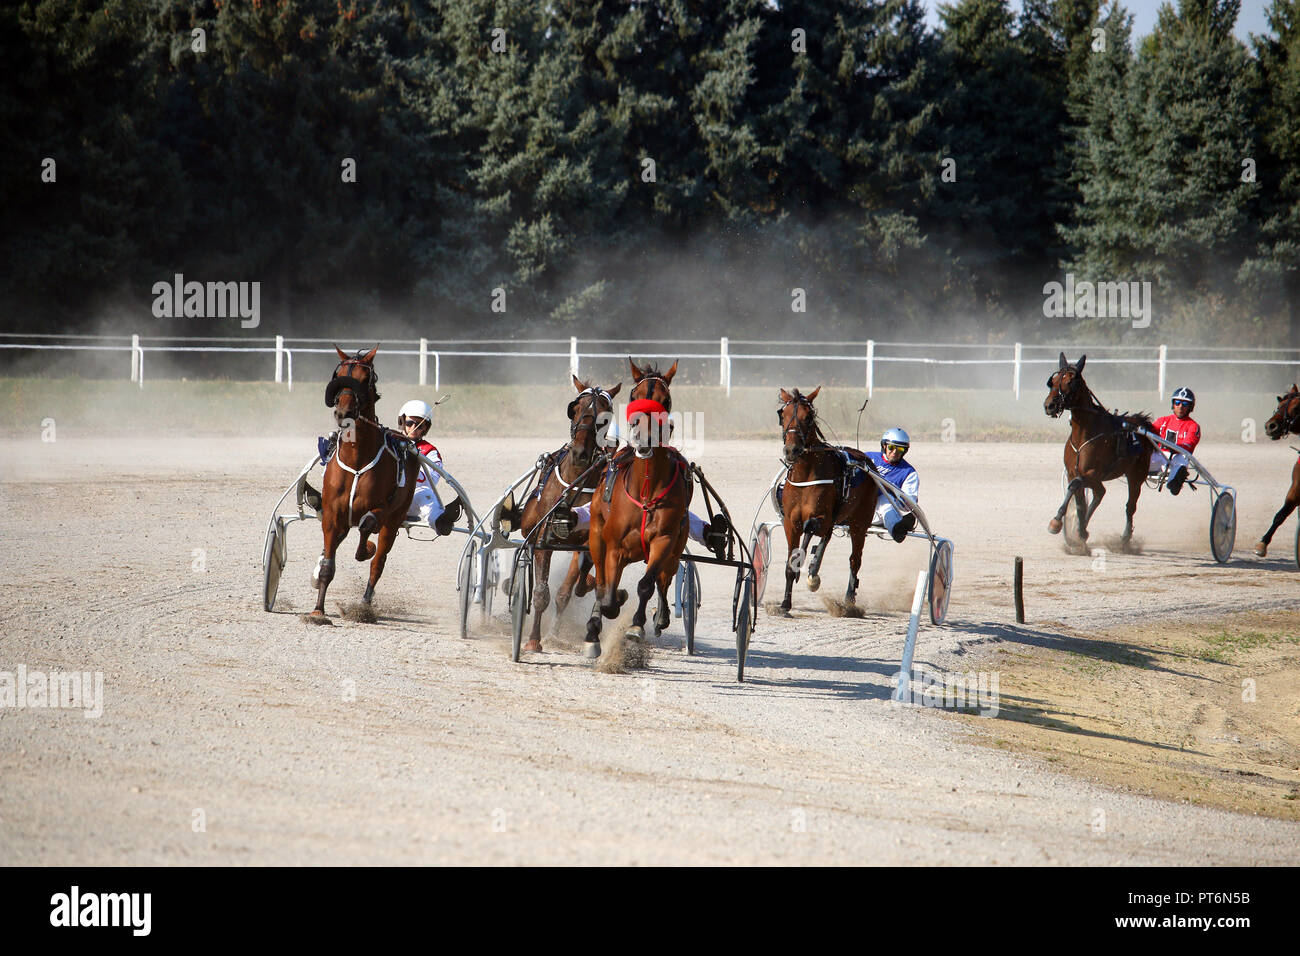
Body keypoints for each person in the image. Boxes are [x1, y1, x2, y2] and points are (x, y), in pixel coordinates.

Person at [396, 399, 461, 534]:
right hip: (385, 496)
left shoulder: (429, 451)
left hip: (411, 499)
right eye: (409, 423)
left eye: (419, 425)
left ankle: (440, 522)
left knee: (425, 493)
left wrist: (408, 470)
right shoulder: (389, 441)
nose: (414, 427)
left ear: (425, 428)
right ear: (402, 422)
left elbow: (430, 479)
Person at [863, 427, 920, 542]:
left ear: (905, 451)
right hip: (857, 502)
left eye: (900, 449)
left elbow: (907, 505)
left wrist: (890, 491)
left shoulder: (909, 473)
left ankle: (897, 529)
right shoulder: (867, 457)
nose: (895, 452)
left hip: (877, 513)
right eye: (892, 447)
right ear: (884, 446)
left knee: (885, 500)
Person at [1149, 387, 1201, 496]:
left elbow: (1188, 445)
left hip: (1177, 458)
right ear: (1173, 404)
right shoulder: (1162, 421)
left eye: (1185, 404)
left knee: (1182, 459)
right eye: (1177, 402)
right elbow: (1148, 433)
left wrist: (1171, 447)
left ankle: (1175, 482)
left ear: (1190, 407)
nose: (1180, 406)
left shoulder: (1193, 426)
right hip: (1159, 455)